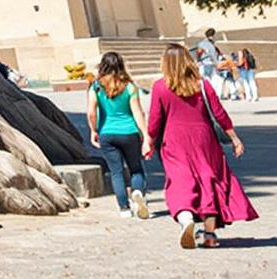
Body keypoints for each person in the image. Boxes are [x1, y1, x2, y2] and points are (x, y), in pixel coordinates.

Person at [143, 41, 256, 248]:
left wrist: (148, 141)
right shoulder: (202, 84)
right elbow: (219, 113)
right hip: (204, 139)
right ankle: (209, 235)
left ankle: (186, 218)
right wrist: (234, 138)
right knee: (209, 180)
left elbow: (155, 120)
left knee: (180, 180)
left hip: (174, 140)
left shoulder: (160, 86)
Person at [86, 51, 151, 221]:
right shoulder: (129, 86)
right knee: (136, 169)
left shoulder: (96, 86)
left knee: (116, 172)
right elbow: (138, 112)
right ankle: (138, 192)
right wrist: (145, 134)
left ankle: (124, 208)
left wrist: (93, 130)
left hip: (107, 133)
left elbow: (91, 112)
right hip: (129, 132)